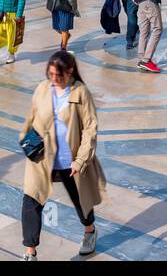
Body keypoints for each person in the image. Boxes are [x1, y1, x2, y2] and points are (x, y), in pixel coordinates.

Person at [19, 51, 105, 260]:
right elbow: (31, 116)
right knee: (31, 201)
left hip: (70, 160)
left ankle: (90, 231)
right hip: (42, 158)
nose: (54, 79)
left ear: (70, 71)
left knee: (80, 200)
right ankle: (30, 253)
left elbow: (90, 128)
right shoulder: (42, 88)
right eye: (50, 74)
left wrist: (81, 160)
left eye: (58, 75)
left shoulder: (81, 93)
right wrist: (25, 138)